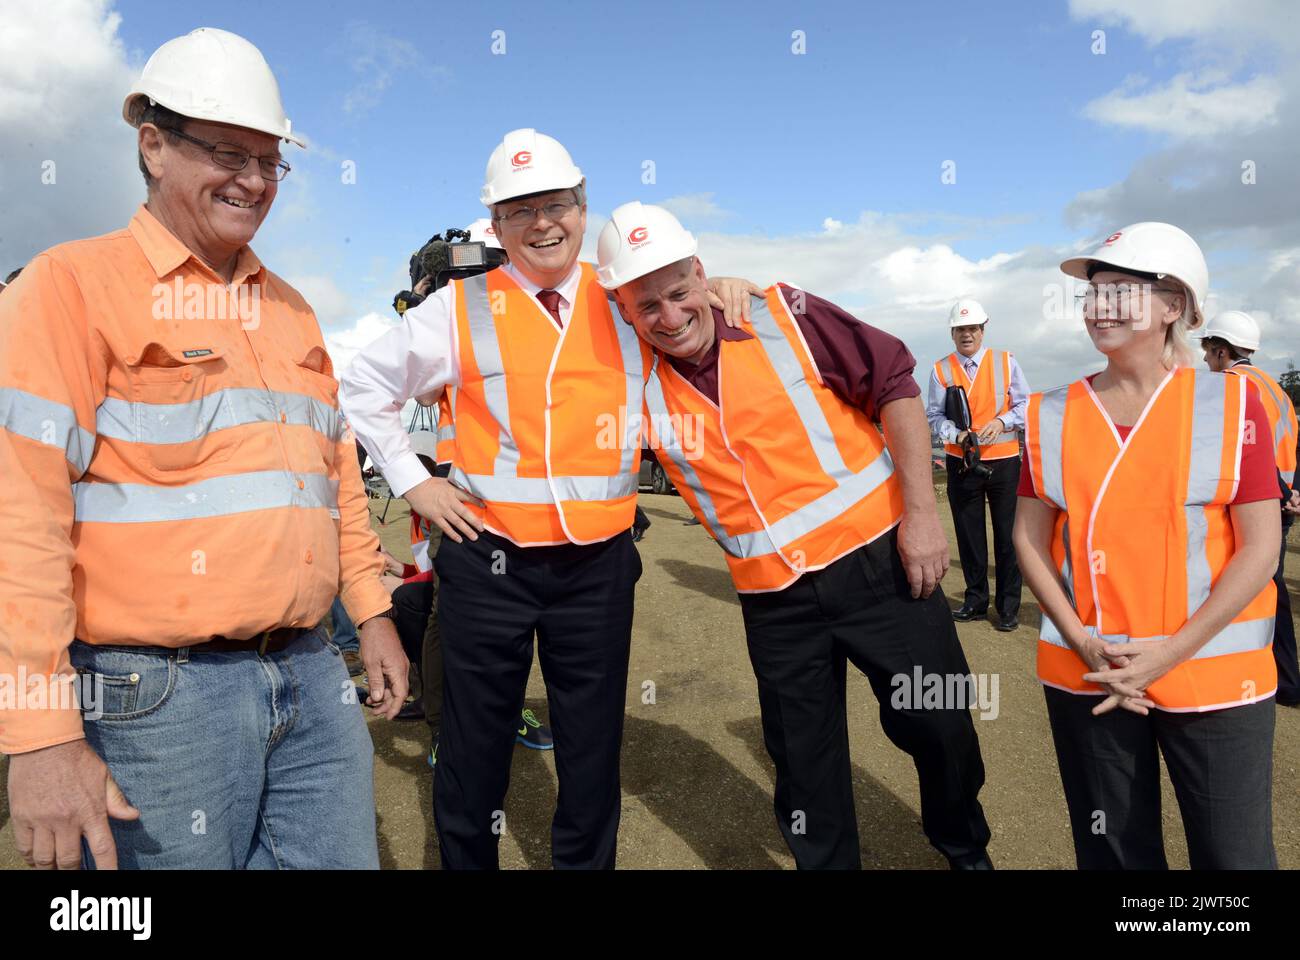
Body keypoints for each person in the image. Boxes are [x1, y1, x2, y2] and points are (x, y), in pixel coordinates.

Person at [0, 28, 407, 871]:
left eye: (270, 161)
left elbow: (337, 479)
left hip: (310, 673)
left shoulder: (293, 310)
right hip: (154, 700)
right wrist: (38, 733)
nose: (255, 181)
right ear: (152, 145)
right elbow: (18, 517)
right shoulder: (68, 287)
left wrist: (370, 614)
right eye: (229, 152)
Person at [597, 202, 992, 870]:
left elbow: (893, 382)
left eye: (680, 291)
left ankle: (964, 847)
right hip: (775, 600)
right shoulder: (628, 377)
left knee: (939, 720)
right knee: (804, 763)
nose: (669, 317)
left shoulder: (783, 314)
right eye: (645, 306)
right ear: (621, 309)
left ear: (701, 272)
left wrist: (925, 516)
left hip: (882, 565)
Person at [1015, 222, 1281, 869]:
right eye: (1093, 292)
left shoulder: (1232, 403)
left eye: (1120, 291)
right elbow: (1028, 537)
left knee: (1234, 859)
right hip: (1095, 675)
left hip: (1213, 681)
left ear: (1174, 307)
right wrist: (1083, 640)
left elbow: (1261, 546)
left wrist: (1166, 656)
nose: (1099, 305)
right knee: (1116, 855)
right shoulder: (1049, 412)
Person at [1199, 310, 1300, 706]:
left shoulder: (1230, 386)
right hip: (1280, 502)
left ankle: (1264, 678)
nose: (1206, 361)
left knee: (1244, 588)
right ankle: (1288, 680)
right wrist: (1291, 491)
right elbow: (1290, 441)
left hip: (1252, 504)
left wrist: (1277, 489)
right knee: (1270, 588)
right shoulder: (1273, 386)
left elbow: (1248, 449)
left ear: (1223, 351)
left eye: (1208, 353)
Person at [926, 299, 1028, 631]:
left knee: (1008, 537)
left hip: (1004, 463)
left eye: (972, 329)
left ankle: (1008, 607)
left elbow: (1025, 405)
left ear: (983, 330)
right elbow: (934, 416)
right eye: (960, 330)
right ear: (952, 333)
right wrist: (956, 435)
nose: (966, 334)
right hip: (961, 464)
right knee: (969, 538)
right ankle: (975, 601)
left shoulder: (1006, 361)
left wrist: (1002, 422)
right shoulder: (940, 370)